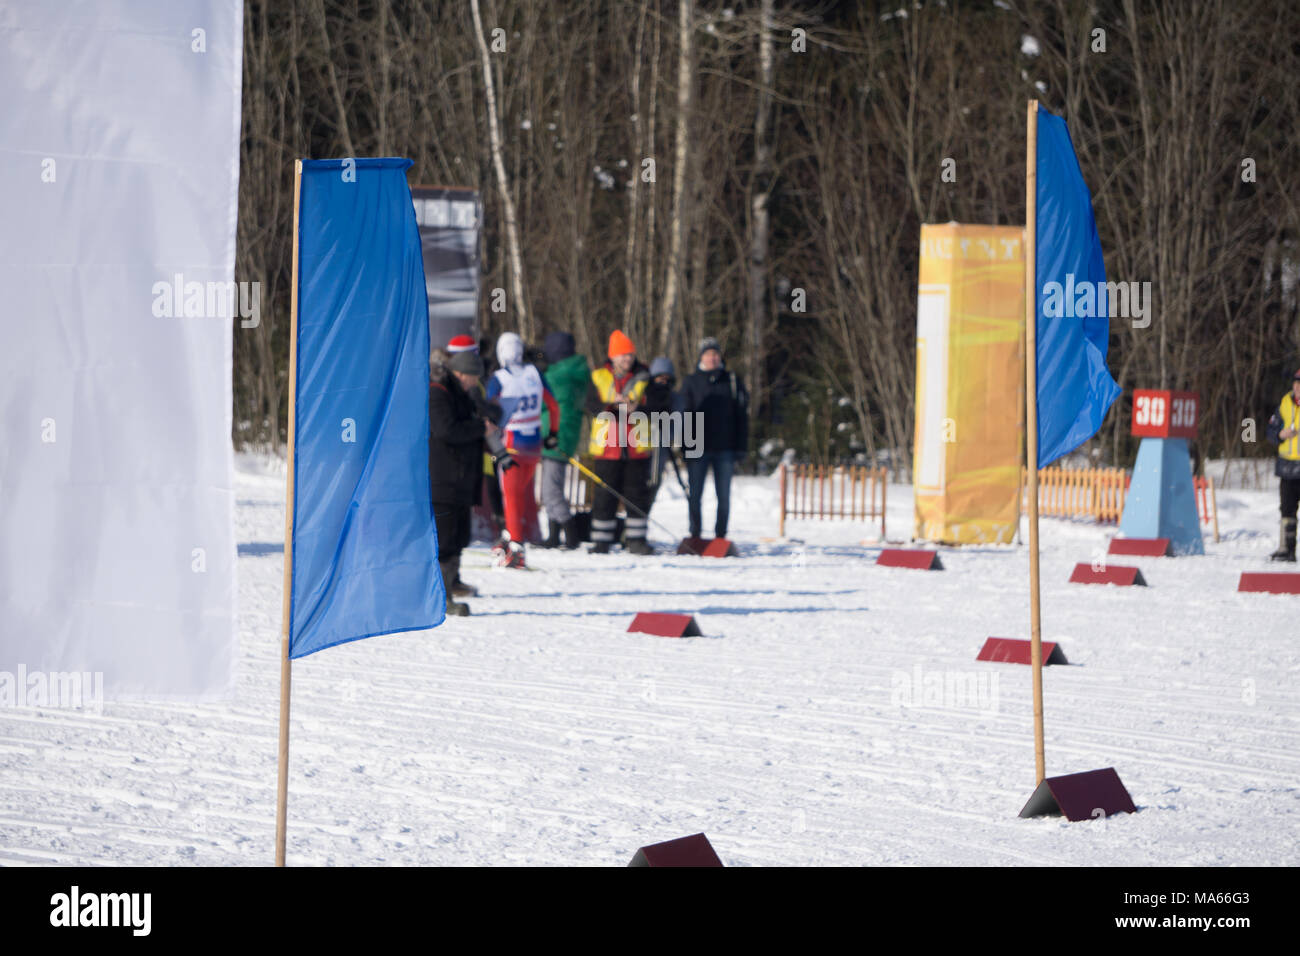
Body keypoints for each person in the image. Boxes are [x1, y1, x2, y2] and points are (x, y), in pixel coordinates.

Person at [486, 332, 559, 568]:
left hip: (512, 444)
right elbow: (553, 406)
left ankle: (516, 546)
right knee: (519, 492)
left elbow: (488, 410)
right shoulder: (534, 373)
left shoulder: (498, 378)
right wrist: (553, 435)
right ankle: (511, 536)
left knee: (511, 496)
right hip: (534, 442)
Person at [428, 348, 491, 615]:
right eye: (473, 377)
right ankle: (440, 598)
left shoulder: (460, 394)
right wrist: (480, 429)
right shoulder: (438, 393)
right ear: (461, 373)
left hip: (460, 480)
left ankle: (450, 587)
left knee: (458, 538)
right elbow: (447, 430)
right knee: (444, 541)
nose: (475, 382)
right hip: (444, 480)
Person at [585, 330, 653, 554]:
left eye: (630, 355)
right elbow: (589, 405)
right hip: (607, 447)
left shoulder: (645, 376)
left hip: (636, 447)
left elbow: (658, 406)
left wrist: (637, 408)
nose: (628, 359)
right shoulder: (597, 377)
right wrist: (610, 403)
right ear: (612, 357)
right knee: (604, 497)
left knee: (637, 495)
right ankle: (601, 541)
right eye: (623, 355)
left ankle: (636, 541)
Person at [679, 336, 749, 541]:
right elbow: (683, 414)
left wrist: (741, 447)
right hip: (696, 446)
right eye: (709, 354)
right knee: (695, 495)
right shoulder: (691, 381)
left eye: (716, 354)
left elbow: (741, 416)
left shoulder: (732, 381)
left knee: (724, 496)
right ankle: (695, 533)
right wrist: (684, 446)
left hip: (725, 446)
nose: (712, 358)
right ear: (702, 357)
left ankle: (721, 535)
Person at [538, 330, 590, 549]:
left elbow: (541, 398)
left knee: (551, 490)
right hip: (563, 435)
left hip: (555, 437)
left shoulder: (559, 375)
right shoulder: (574, 371)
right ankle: (554, 534)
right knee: (551, 488)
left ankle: (570, 534)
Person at [1266, 369, 1300, 561]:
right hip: (1287, 467)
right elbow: (1270, 429)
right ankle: (1286, 549)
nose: (1297, 387)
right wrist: (1280, 435)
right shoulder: (1285, 404)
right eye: (1296, 383)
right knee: (1287, 510)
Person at [644, 356, 679, 511]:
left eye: (667, 379)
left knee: (654, 483)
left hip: (661, 447)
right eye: (659, 378)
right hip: (643, 447)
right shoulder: (645, 394)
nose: (663, 382)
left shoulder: (674, 399)